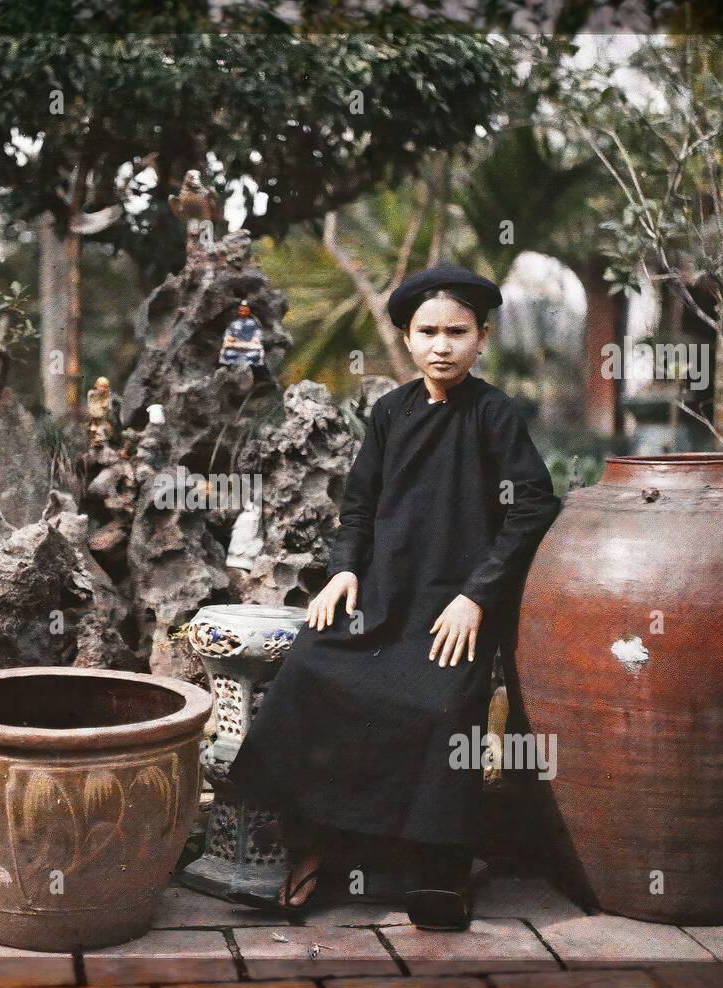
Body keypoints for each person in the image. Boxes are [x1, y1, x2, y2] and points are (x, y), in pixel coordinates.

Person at [225, 264, 561, 929]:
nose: (442, 345)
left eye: (457, 332)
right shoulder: (389, 413)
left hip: (452, 615)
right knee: (310, 672)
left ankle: (441, 869)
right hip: (382, 605)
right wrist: (344, 571)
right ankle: (312, 842)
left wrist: (477, 598)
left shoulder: (495, 415)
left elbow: (532, 506)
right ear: (407, 338)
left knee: (442, 706)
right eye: (428, 331)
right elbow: (358, 506)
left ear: (481, 337)